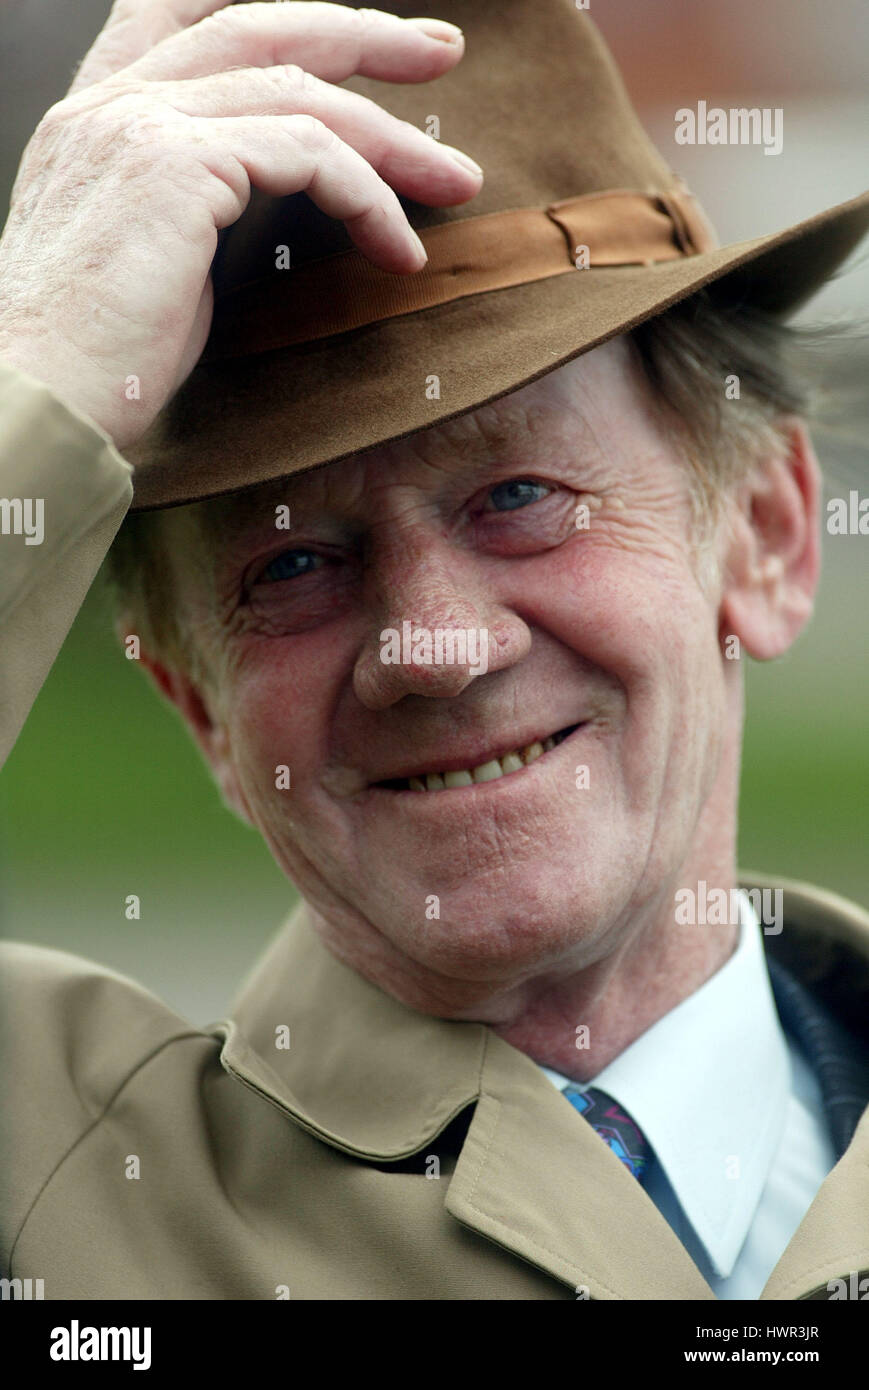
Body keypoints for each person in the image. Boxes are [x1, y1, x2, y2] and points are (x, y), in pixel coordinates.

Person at [1, 0, 867, 1302]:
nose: (434, 645)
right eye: (291, 565)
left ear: (763, 533)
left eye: (516, 497)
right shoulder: (61, 1189)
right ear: (199, 706)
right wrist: (40, 362)